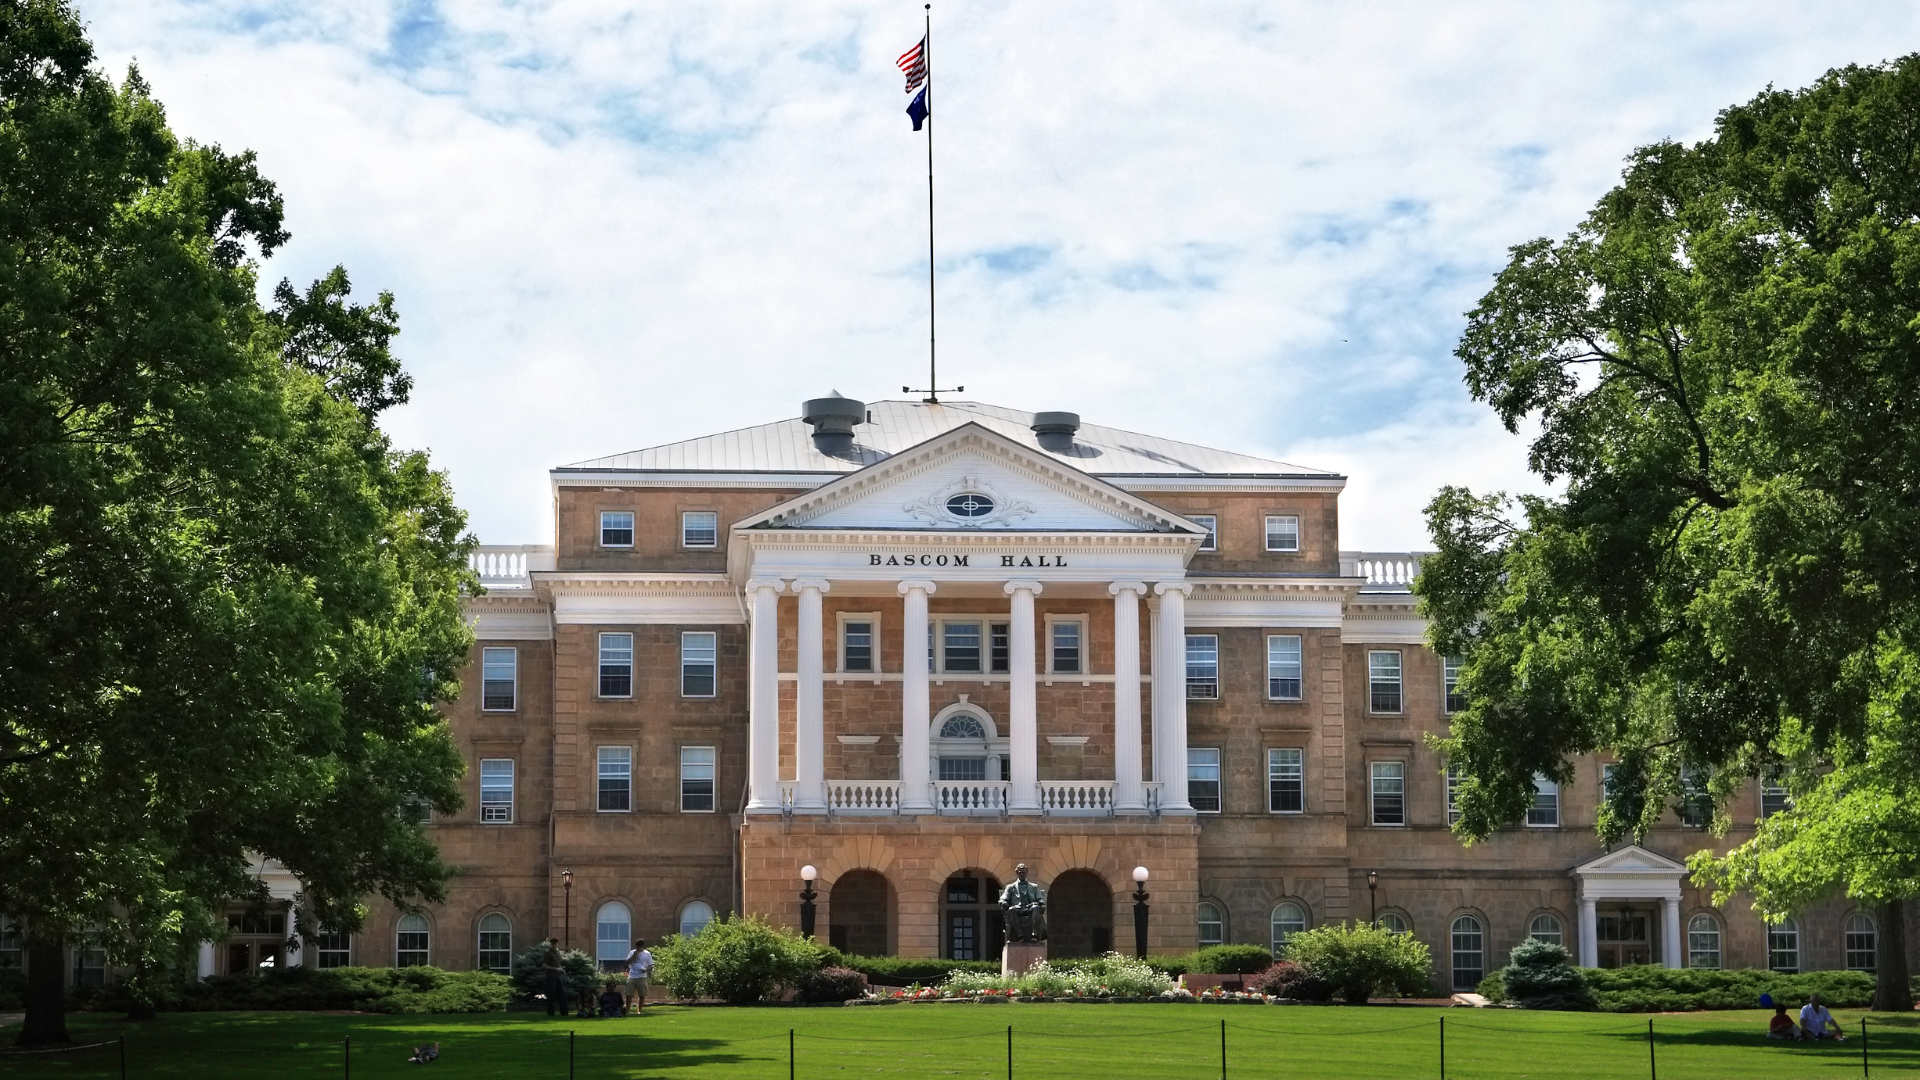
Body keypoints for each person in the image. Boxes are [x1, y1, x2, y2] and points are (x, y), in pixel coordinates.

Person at [626, 938, 653, 1012]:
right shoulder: (632, 952)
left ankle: (639, 1011)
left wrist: (646, 969)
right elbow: (627, 962)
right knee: (629, 994)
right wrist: (634, 956)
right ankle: (628, 1010)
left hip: (642, 976)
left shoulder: (647, 953)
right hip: (632, 975)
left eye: (639, 946)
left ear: (642, 946)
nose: (638, 947)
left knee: (642, 995)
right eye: (637, 946)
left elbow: (651, 965)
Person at [541, 938, 566, 1018]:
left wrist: (561, 969)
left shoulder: (558, 952)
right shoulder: (548, 953)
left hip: (558, 976)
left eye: (556, 943)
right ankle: (550, 1013)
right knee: (551, 995)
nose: (555, 945)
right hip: (551, 976)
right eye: (554, 943)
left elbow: (558, 963)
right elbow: (544, 965)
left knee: (562, 994)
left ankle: (564, 1012)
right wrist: (555, 969)